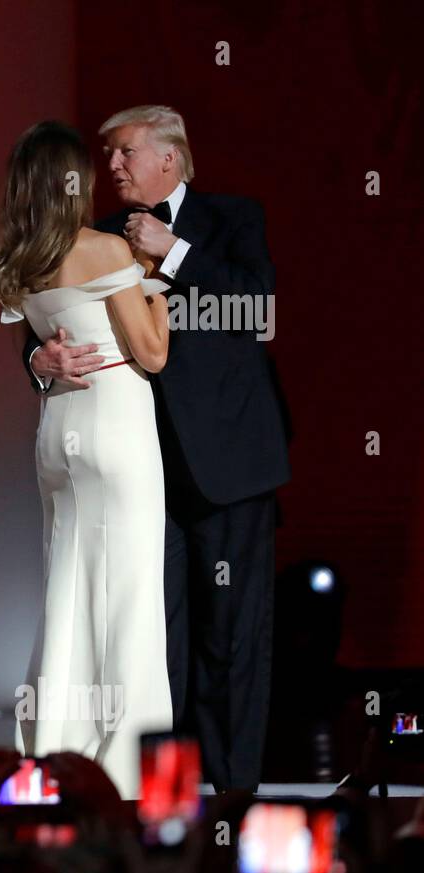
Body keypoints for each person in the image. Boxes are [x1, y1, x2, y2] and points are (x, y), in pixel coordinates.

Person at [17, 106, 290, 792]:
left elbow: (257, 310)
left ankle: (228, 797)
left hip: (227, 466)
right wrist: (40, 362)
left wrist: (173, 251)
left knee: (229, 639)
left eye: (124, 152)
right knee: (147, 633)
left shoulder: (231, 220)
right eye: (105, 155)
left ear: (169, 157)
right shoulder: (98, 237)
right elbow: (42, 325)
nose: (110, 166)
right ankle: (160, 791)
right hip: (137, 471)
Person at [0, 121, 174, 799]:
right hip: (118, 432)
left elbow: (41, 344)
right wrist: (153, 283)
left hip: (59, 433)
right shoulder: (100, 251)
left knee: (66, 594)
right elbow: (152, 354)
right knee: (129, 599)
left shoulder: (19, 259)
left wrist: (42, 360)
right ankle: (124, 765)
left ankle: (54, 751)